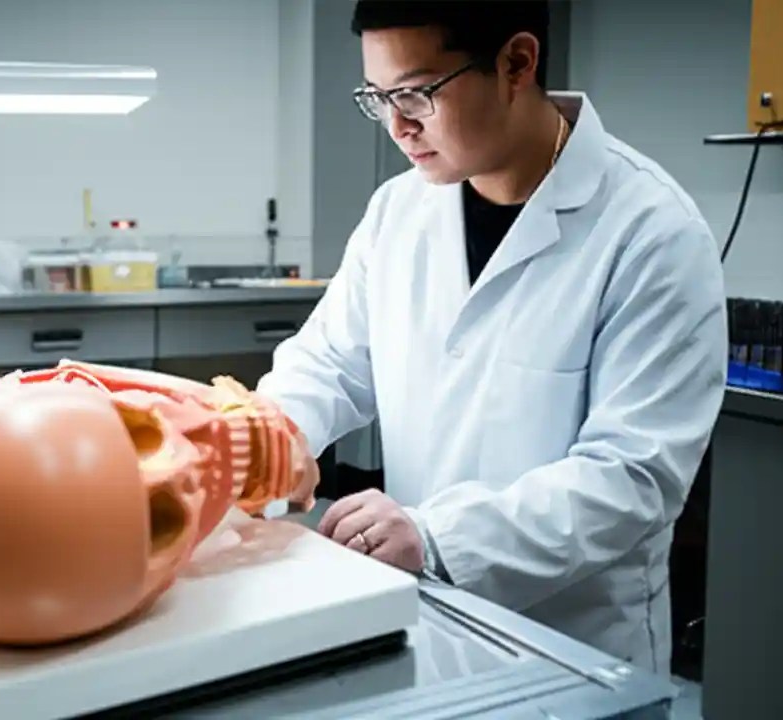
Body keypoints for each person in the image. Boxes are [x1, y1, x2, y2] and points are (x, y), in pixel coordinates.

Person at [256, 0, 728, 676]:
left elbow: (631, 477)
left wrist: (437, 535)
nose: (396, 126)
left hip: (574, 650)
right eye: (379, 97)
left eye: (417, 94)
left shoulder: (651, 232)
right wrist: (258, 447)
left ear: (516, 63)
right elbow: (328, 365)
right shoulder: (399, 211)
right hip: (425, 617)